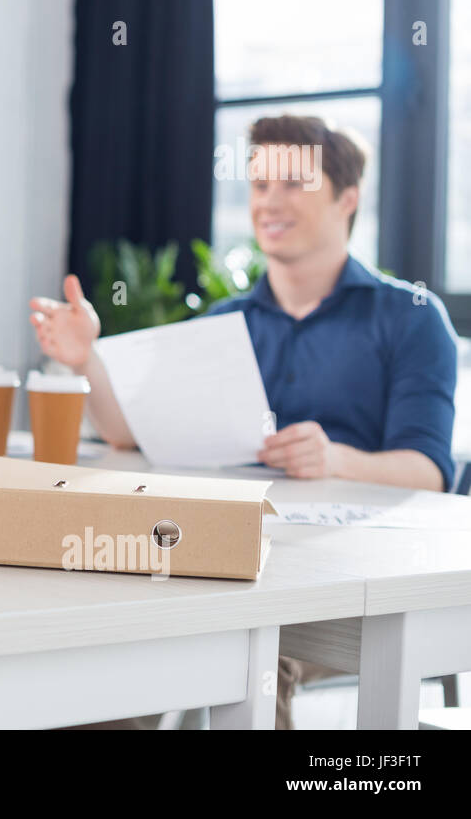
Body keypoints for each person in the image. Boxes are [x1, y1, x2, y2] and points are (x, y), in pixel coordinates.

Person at [31, 114, 458, 728]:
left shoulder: (412, 317)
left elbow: (429, 473)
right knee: (117, 633)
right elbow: (132, 434)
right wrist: (86, 358)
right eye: (259, 186)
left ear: (347, 198)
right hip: (231, 557)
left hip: (352, 572)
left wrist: (335, 458)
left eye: (292, 184)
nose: (269, 203)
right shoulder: (224, 325)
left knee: (257, 647)